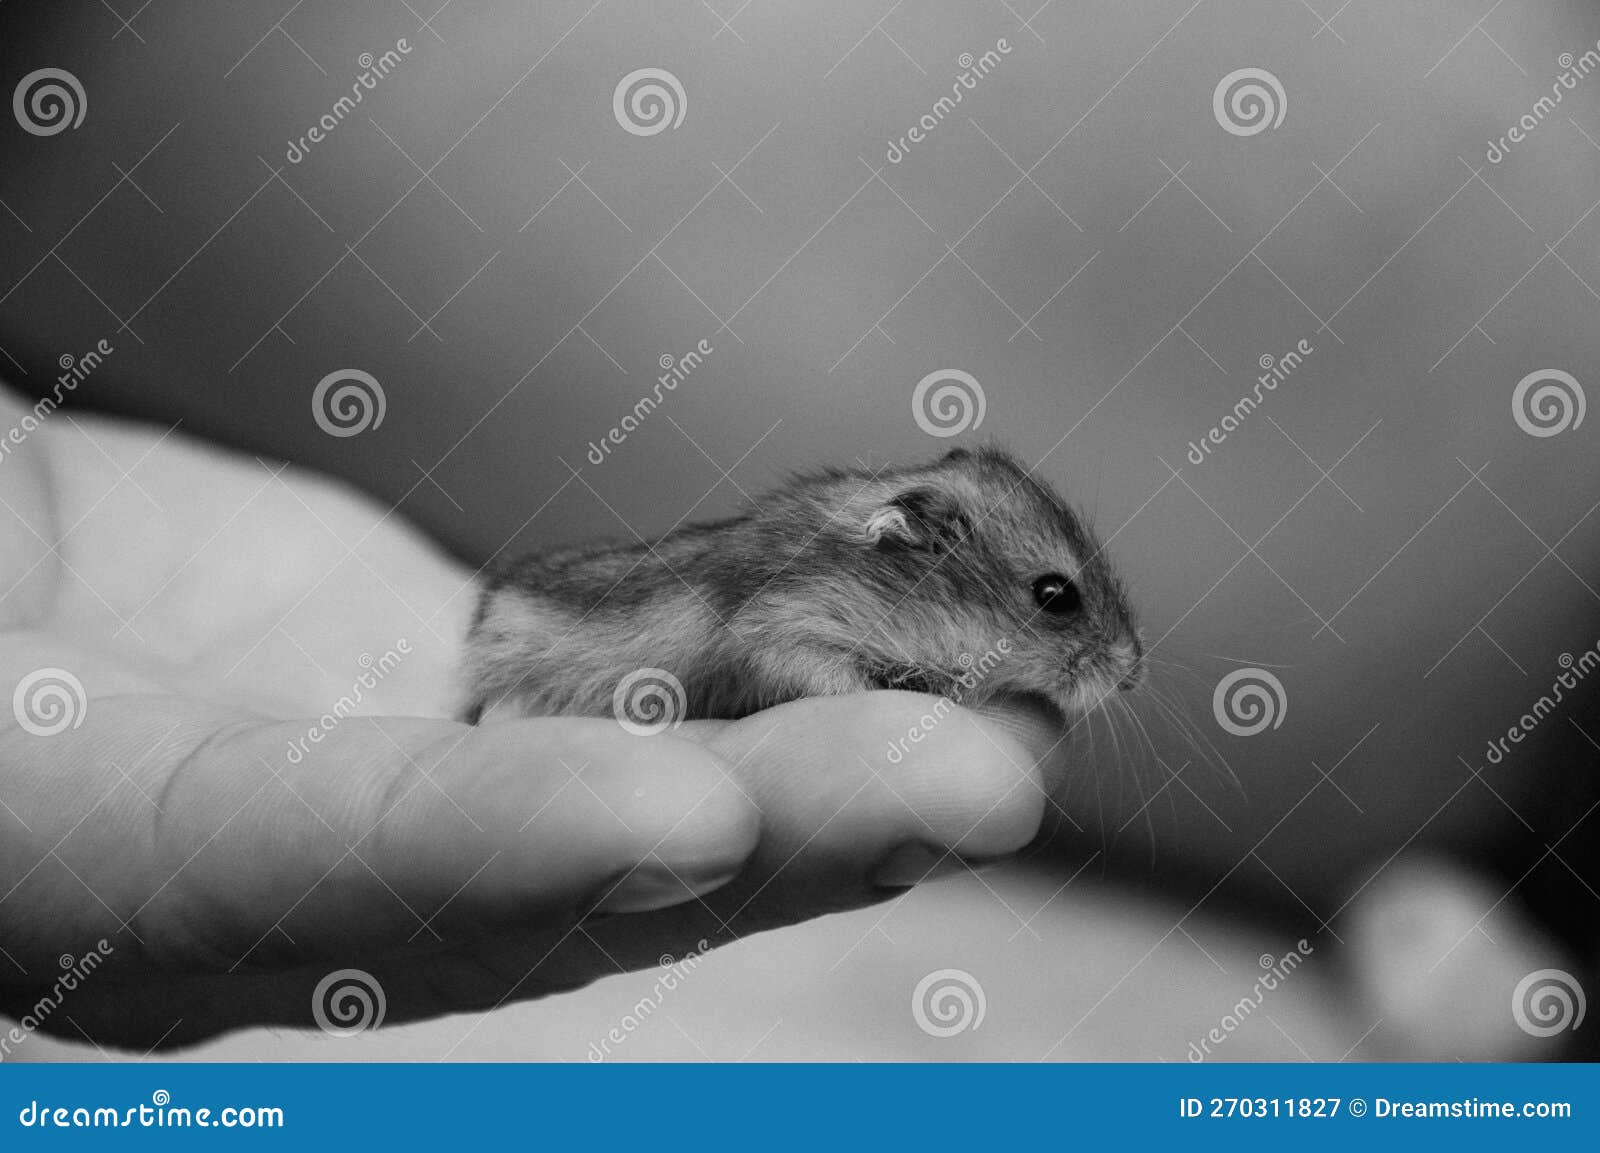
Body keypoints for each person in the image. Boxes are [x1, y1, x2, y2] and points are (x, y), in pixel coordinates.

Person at [0, 386, 1059, 1049]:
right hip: (536, 633)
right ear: (919, 539)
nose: (1086, 644)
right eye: (1052, 602)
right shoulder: (802, 576)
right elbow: (770, 648)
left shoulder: (871, 564)